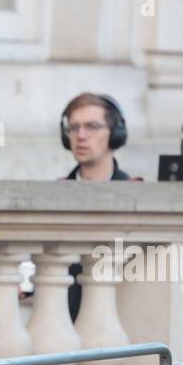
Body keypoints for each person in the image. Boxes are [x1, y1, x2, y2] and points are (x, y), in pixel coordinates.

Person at [58, 93, 138, 322]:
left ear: (115, 133)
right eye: (74, 128)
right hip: (64, 316)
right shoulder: (57, 192)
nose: (81, 135)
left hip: (120, 314)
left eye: (92, 126)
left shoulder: (134, 192)